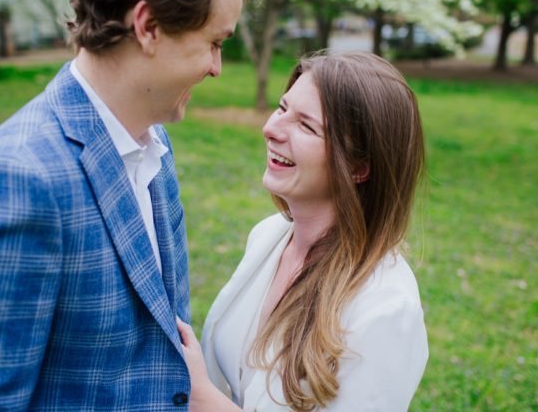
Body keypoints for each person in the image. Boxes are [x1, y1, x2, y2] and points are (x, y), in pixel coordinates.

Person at [0, 0, 251, 408]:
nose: (217, 67)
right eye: (214, 42)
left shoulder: (152, 144)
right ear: (148, 26)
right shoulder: (18, 183)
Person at [176, 50, 429, 411]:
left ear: (359, 167)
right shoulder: (269, 237)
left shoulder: (386, 309)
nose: (270, 128)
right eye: (282, 108)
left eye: (306, 126)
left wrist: (202, 398)